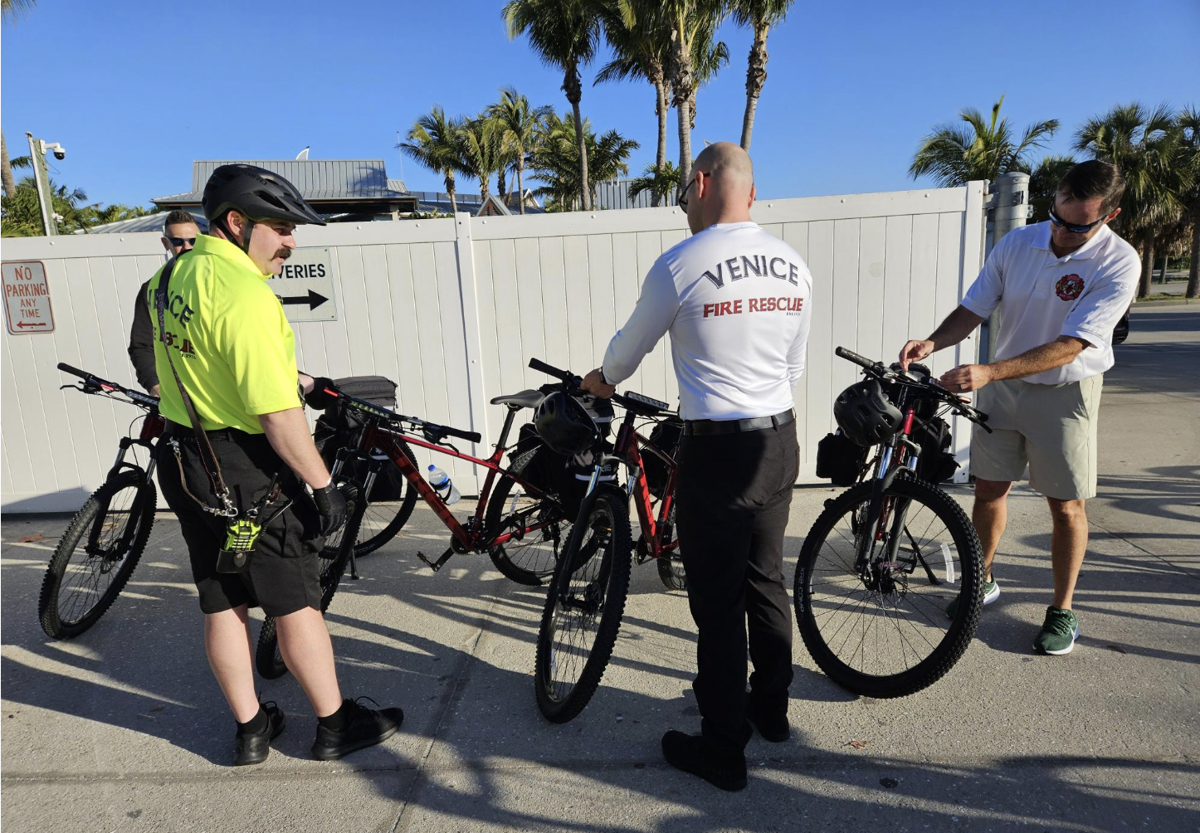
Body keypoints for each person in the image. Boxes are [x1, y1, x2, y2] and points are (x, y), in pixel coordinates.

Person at [149, 164, 402, 766]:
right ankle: (336, 725)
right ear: (237, 223)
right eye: (281, 227)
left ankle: (251, 729)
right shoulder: (247, 296)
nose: (291, 241)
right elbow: (278, 417)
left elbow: (210, 359)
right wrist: (324, 488)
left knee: (221, 599)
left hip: (187, 459)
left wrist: (301, 380)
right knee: (295, 603)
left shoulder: (170, 278)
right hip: (249, 470)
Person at [581, 142, 812, 791]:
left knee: (717, 601)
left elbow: (625, 357)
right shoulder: (793, 266)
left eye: (686, 191)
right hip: (780, 436)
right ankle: (772, 709)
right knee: (766, 578)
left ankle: (722, 747)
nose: (685, 203)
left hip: (719, 449)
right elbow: (793, 367)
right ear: (753, 194)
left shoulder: (682, 263)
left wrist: (598, 379)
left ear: (704, 182)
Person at [897, 159, 1139, 656]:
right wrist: (934, 341)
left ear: (1109, 216)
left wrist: (987, 372)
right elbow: (975, 307)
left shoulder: (1119, 262)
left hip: (1065, 392)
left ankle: (1063, 611)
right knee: (988, 491)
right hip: (1005, 388)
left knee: (1066, 507)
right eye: (1058, 216)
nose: (1064, 232)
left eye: (1079, 226)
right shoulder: (1017, 242)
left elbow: (1073, 345)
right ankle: (981, 580)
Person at [128, 209, 201, 396]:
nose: (187, 247)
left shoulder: (217, 282)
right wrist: (154, 384)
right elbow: (141, 345)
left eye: (193, 241)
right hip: (178, 404)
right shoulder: (152, 288)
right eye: (177, 241)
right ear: (165, 243)